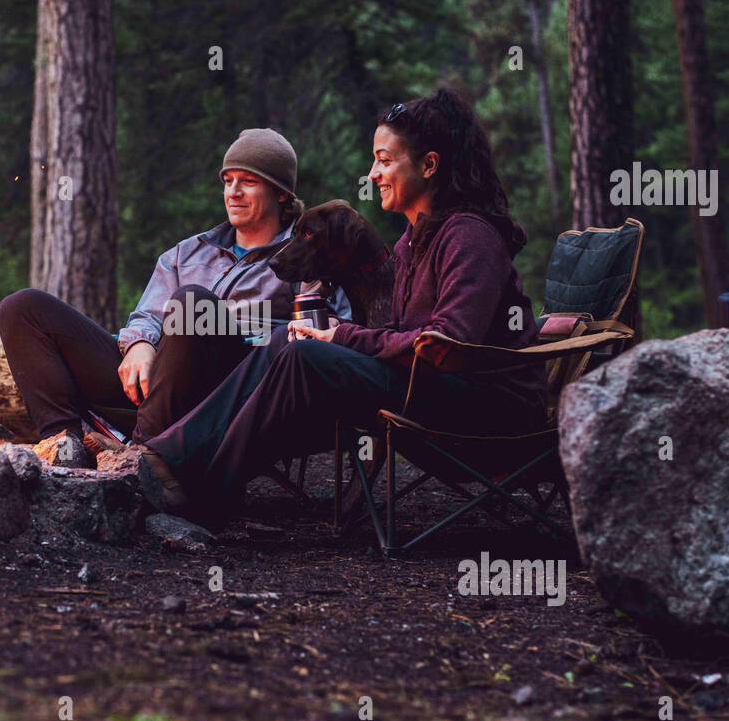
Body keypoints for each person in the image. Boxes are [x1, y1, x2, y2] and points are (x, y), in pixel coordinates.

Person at [142, 88, 548, 521]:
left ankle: (205, 492)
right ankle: (165, 459)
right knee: (287, 339)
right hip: (430, 389)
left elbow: (447, 343)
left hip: (482, 415)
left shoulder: (469, 236)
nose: (373, 173)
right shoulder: (414, 240)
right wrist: (333, 332)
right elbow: (399, 333)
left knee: (305, 356)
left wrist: (343, 335)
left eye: (385, 160)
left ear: (429, 165)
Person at [0, 128, 350, 454]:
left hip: (231, 390)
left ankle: (141, 456)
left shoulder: (305, 258)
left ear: (281, 193)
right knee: (24, 307)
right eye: (228, 181)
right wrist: (138, 345)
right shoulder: (188, 253)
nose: (233, 192)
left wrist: (224, 323)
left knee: (191, 303)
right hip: (156, 379)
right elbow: (148, 315)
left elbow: (320, 336)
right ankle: (65, 445)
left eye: (249, 182)